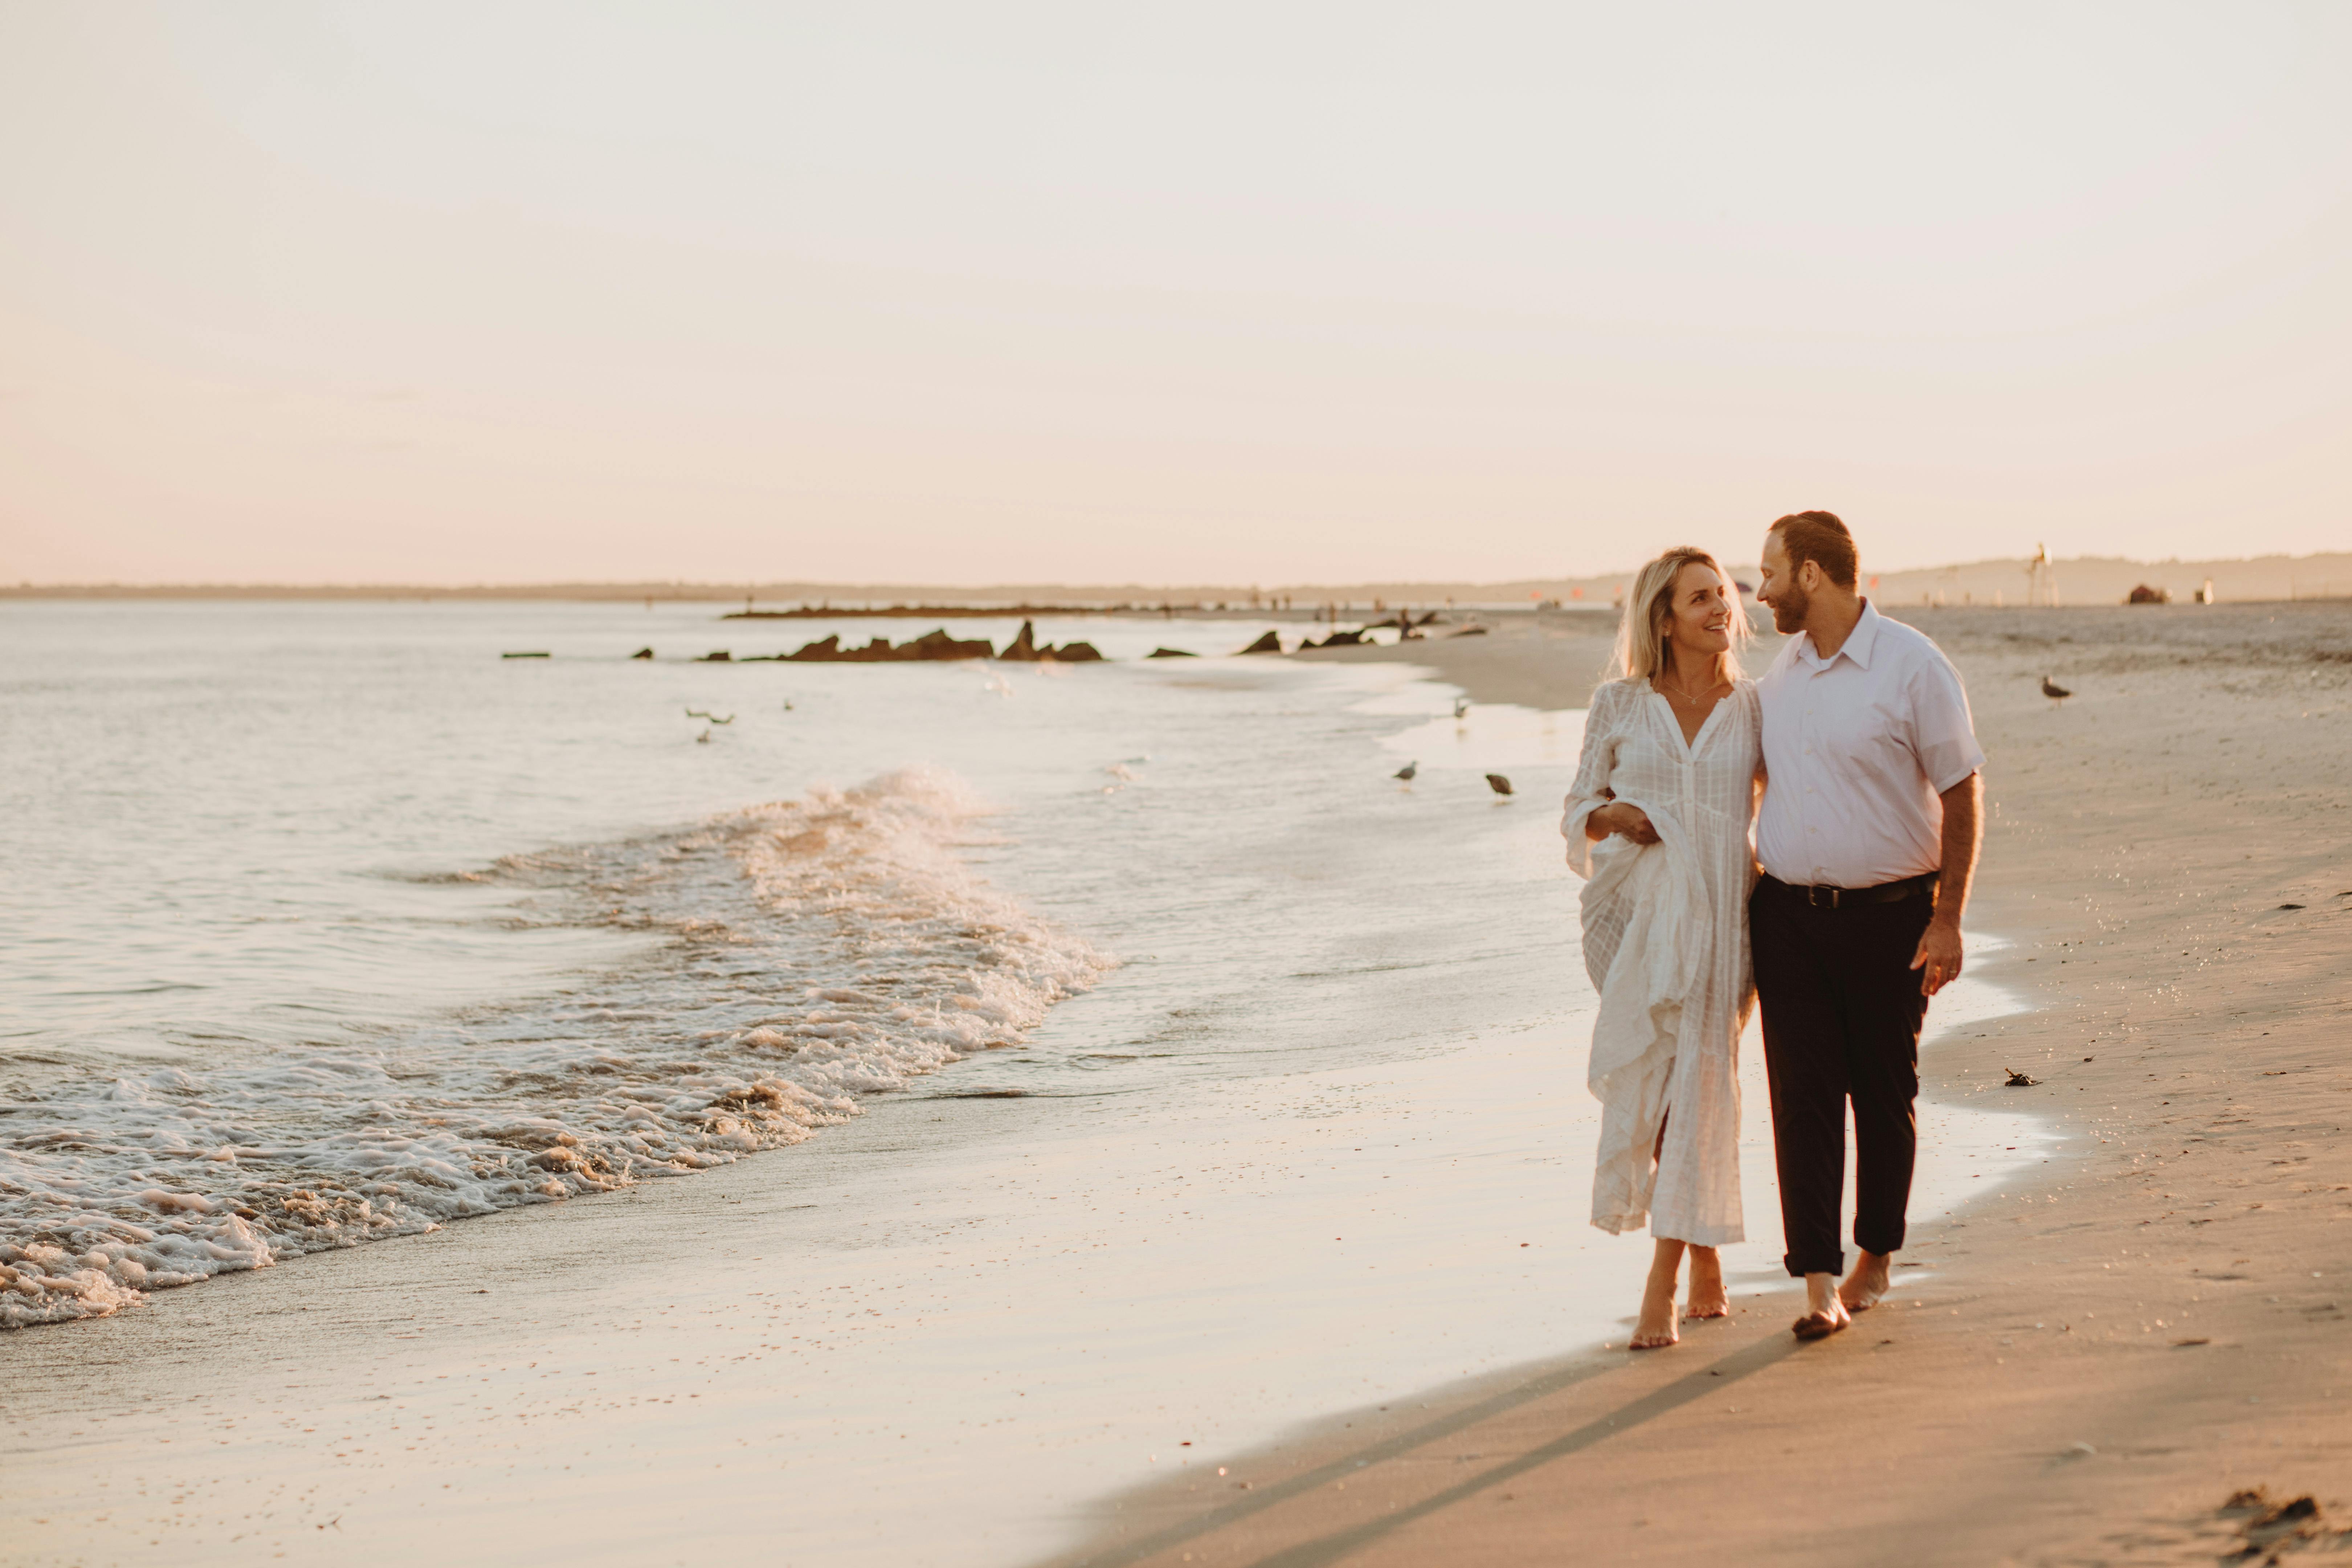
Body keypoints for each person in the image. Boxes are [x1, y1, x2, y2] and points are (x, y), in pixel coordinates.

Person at [1750, 510, 1984, 1341]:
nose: (1761, 589)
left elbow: (1960, 791)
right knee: (1802, 1098)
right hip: (1787, 920)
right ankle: (1818, 1282)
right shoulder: (1776, 679)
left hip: (1891, 919)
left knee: (1883, 1094)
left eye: (1771, 572)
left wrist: (1949, 918)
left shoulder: (1912, 666)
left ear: (1812, 573)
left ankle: (1876, 1257)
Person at [1560, 546, 1761, 1350]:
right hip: (1636, 921)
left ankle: (1665, 1281)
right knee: (1671, 1074)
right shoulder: (1618, 703)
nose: (1721, 607)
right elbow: (1579, 806)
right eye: (1700, 598)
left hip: (1726, 917)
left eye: (1724, 595)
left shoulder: (1753, 707)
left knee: (1702, 1079)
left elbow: (1791, 803)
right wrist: (1621, 818)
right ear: (1665, 617)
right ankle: (1706, 1254)